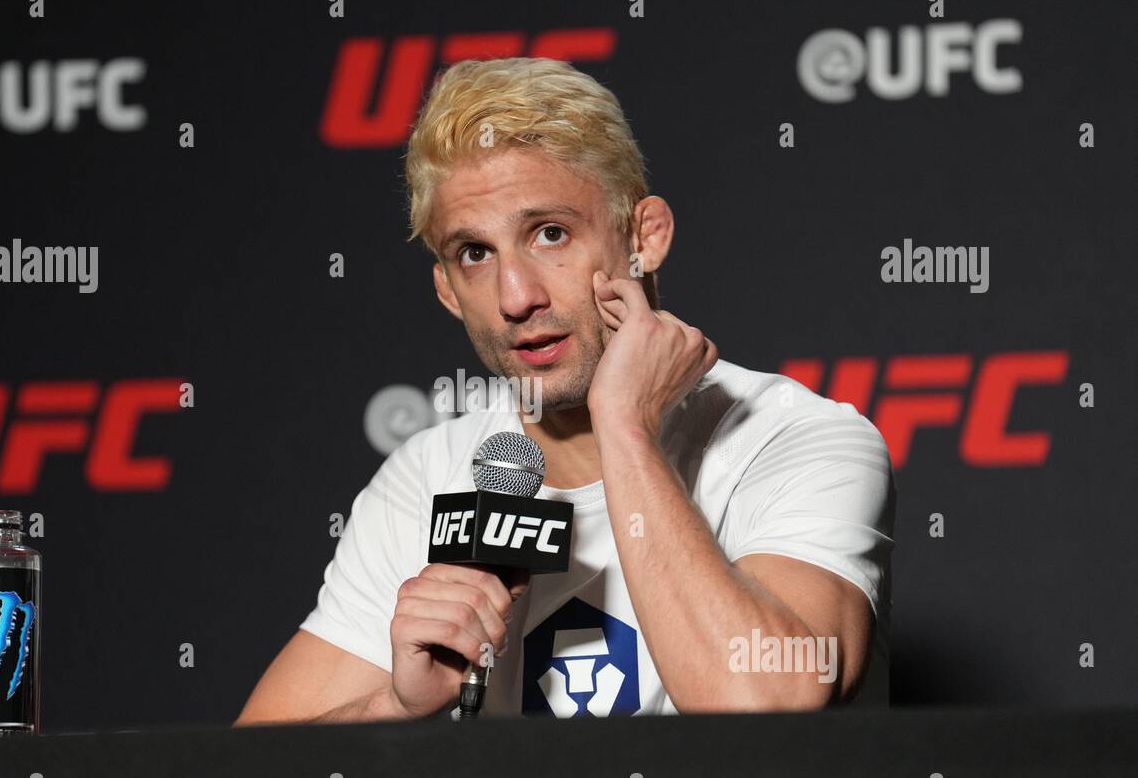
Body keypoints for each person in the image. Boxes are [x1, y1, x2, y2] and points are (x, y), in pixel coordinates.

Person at [237, 57, 894, 723]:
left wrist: (626, 425)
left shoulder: (797, 438)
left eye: (550, 234)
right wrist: (395, 705)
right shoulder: (427, 477)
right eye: (474, 254)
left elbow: (763, 706)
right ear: (446, 291)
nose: (516, 298)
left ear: (645, 237)